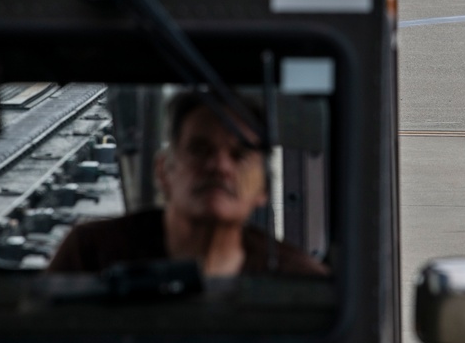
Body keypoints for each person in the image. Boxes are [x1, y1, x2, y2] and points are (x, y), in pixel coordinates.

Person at [47, 91, 329, 277]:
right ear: (164, 171)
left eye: (239, 155)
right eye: (200, 149)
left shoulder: (298, 280)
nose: (219, 166)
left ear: (264, 188)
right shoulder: (89, 256)